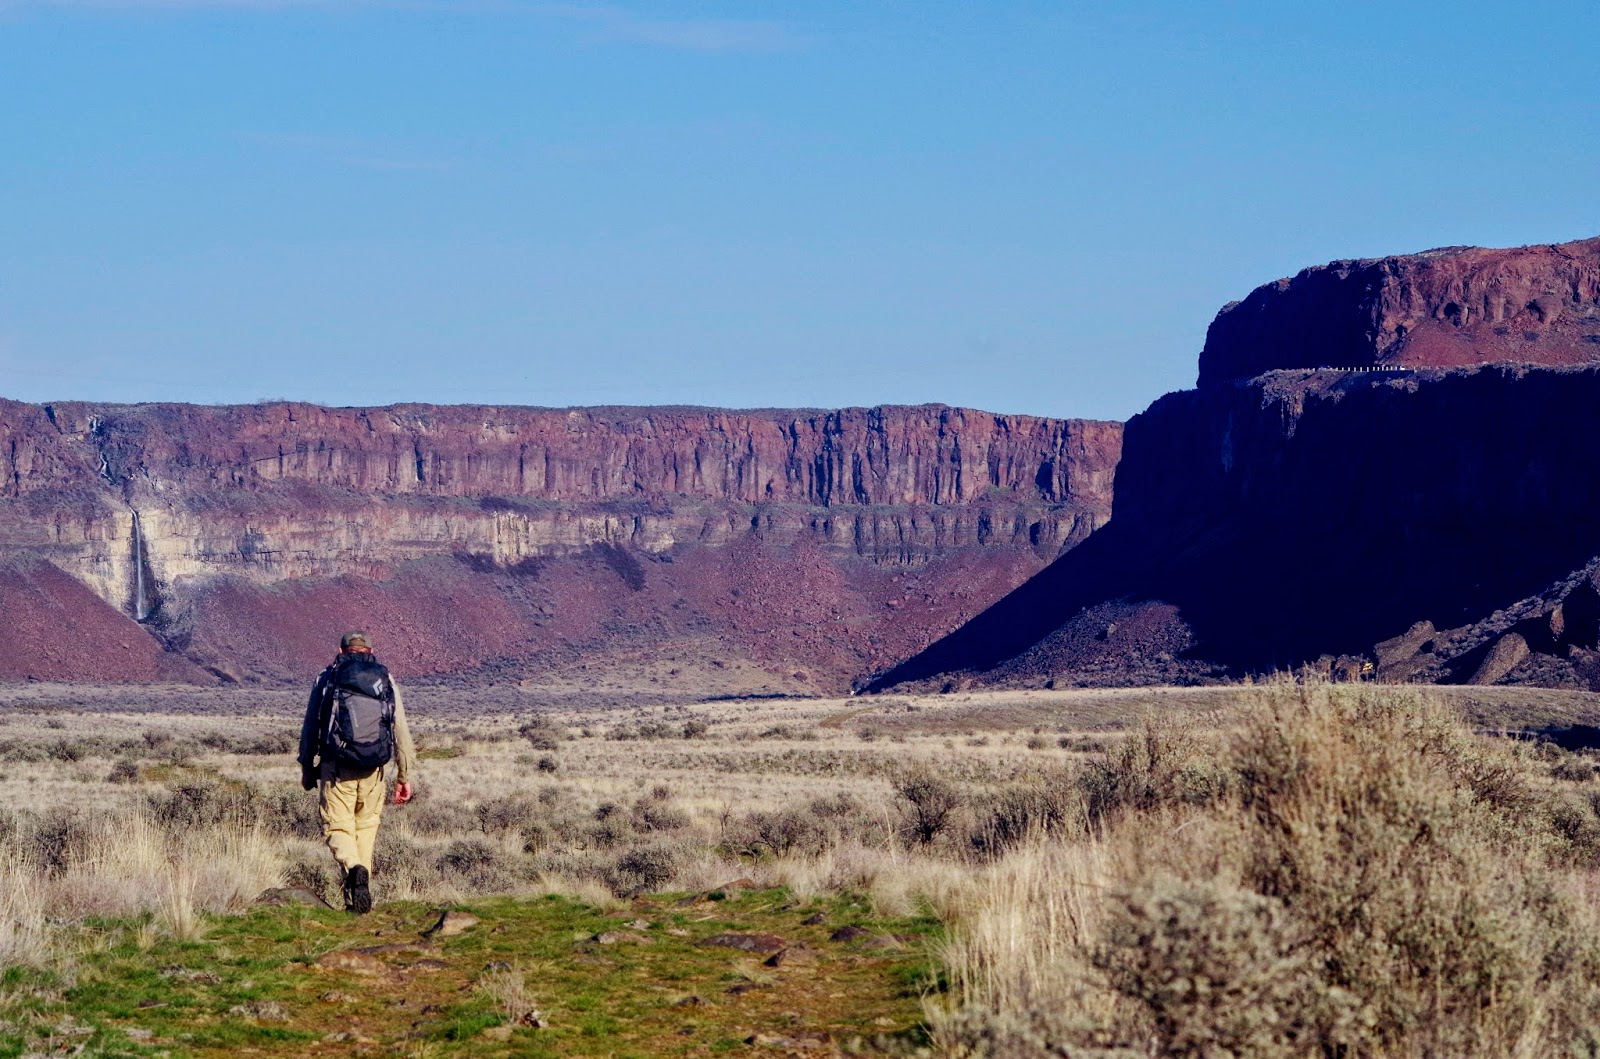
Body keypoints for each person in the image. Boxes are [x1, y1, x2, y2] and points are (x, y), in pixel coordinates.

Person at [297, 631, 416, 913]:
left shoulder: (327, 678)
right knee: (365, 829)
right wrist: (404, 776)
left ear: (340, 649)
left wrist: (306, 766)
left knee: (338, 827)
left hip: (337, 767)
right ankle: (359, 900)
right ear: (369, 650)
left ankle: (354, 869)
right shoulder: (384, 680)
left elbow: (310, 727)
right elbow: (401, 730)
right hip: (373, 770)